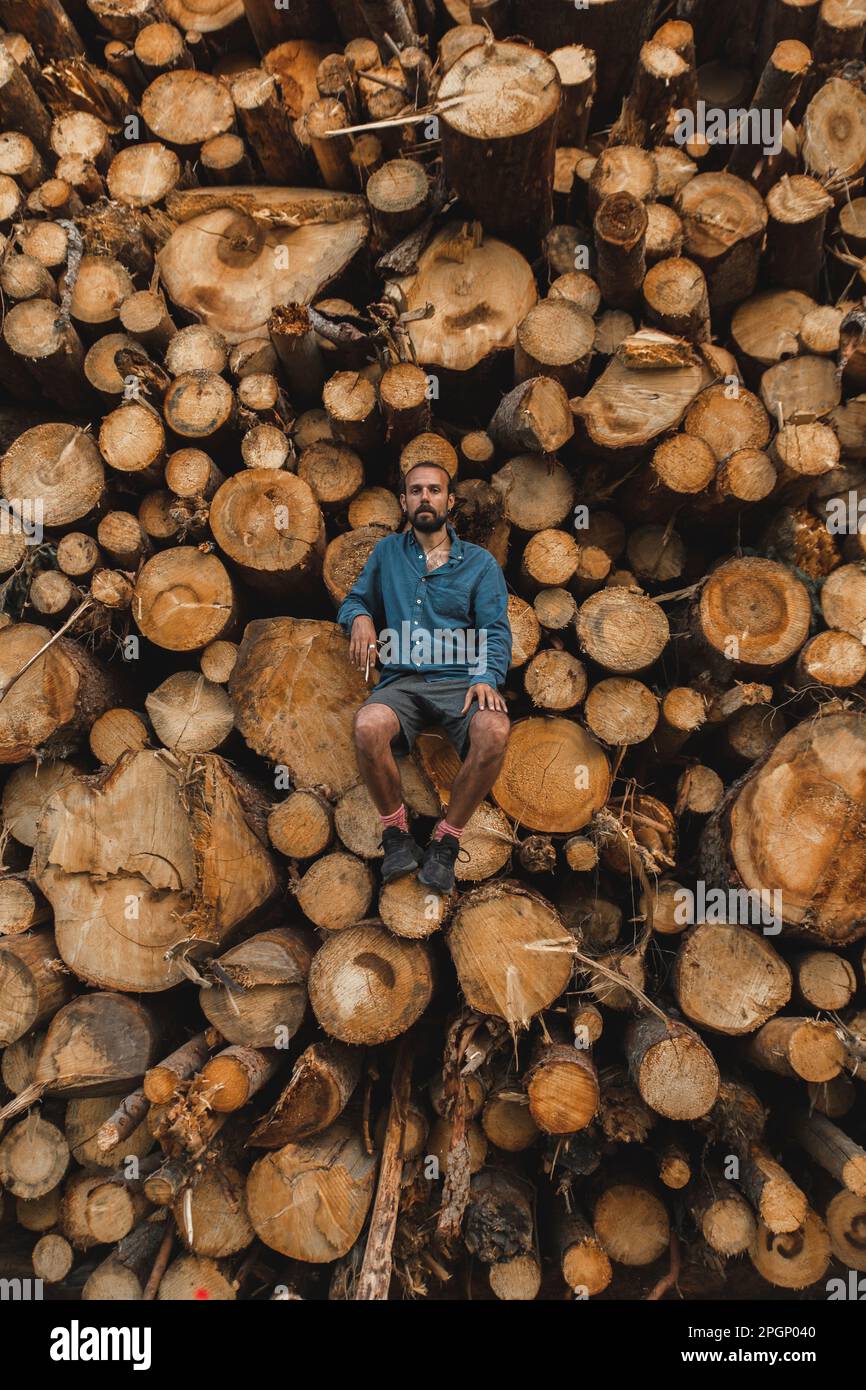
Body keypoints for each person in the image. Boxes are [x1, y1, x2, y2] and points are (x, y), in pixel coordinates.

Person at [337, 461, 512, 892]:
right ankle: (396, 835)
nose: (425, 498)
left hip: (459, 682)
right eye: (416, 491)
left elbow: (494, 629)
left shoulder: (480, 564)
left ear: (449, 501)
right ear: (404, 502)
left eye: (434, 490)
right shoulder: (387, 553)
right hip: (402, 682)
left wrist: (487, 675)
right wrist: (359, 617)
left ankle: (446, 841)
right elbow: (354, 600)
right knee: (367, 725)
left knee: (495, 730)